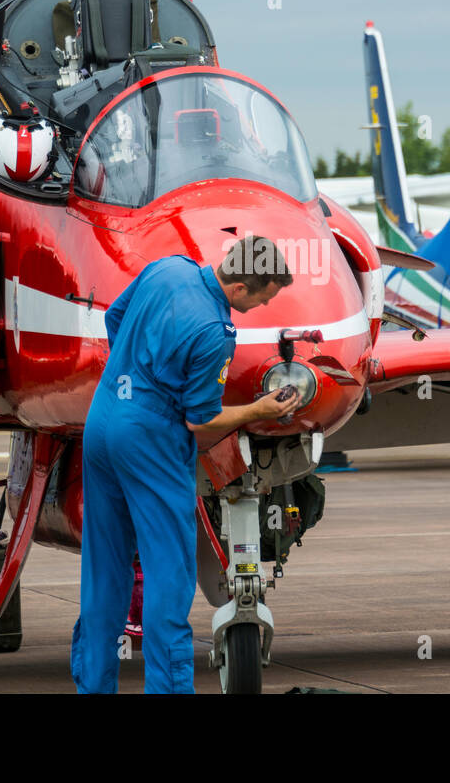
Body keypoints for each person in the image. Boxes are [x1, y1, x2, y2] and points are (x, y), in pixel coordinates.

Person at [71, 235, 299, 693]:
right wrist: (261, 409)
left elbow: (115, 317)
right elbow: (203, 419)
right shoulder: (214, 332)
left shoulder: (166, 267)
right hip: (149, 442)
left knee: (105, 571)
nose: (261, 307)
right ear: (239, 289)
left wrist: (134, 374)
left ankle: (93, 686)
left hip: (102, 420)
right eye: (264, 298)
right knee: (168, 579)